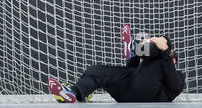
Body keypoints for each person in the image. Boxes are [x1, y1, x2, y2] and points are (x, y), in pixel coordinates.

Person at [47, 32, 184, 103]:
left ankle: (135, 49)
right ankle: (73, 94)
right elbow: (131, 71)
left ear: (174, 60)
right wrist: (137, 56)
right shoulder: (148, 66)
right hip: (128, 91)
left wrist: (165, 50)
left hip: (151, 95)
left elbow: (173, 83)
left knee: (165, 42)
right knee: (96, 71)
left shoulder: (178, 76)